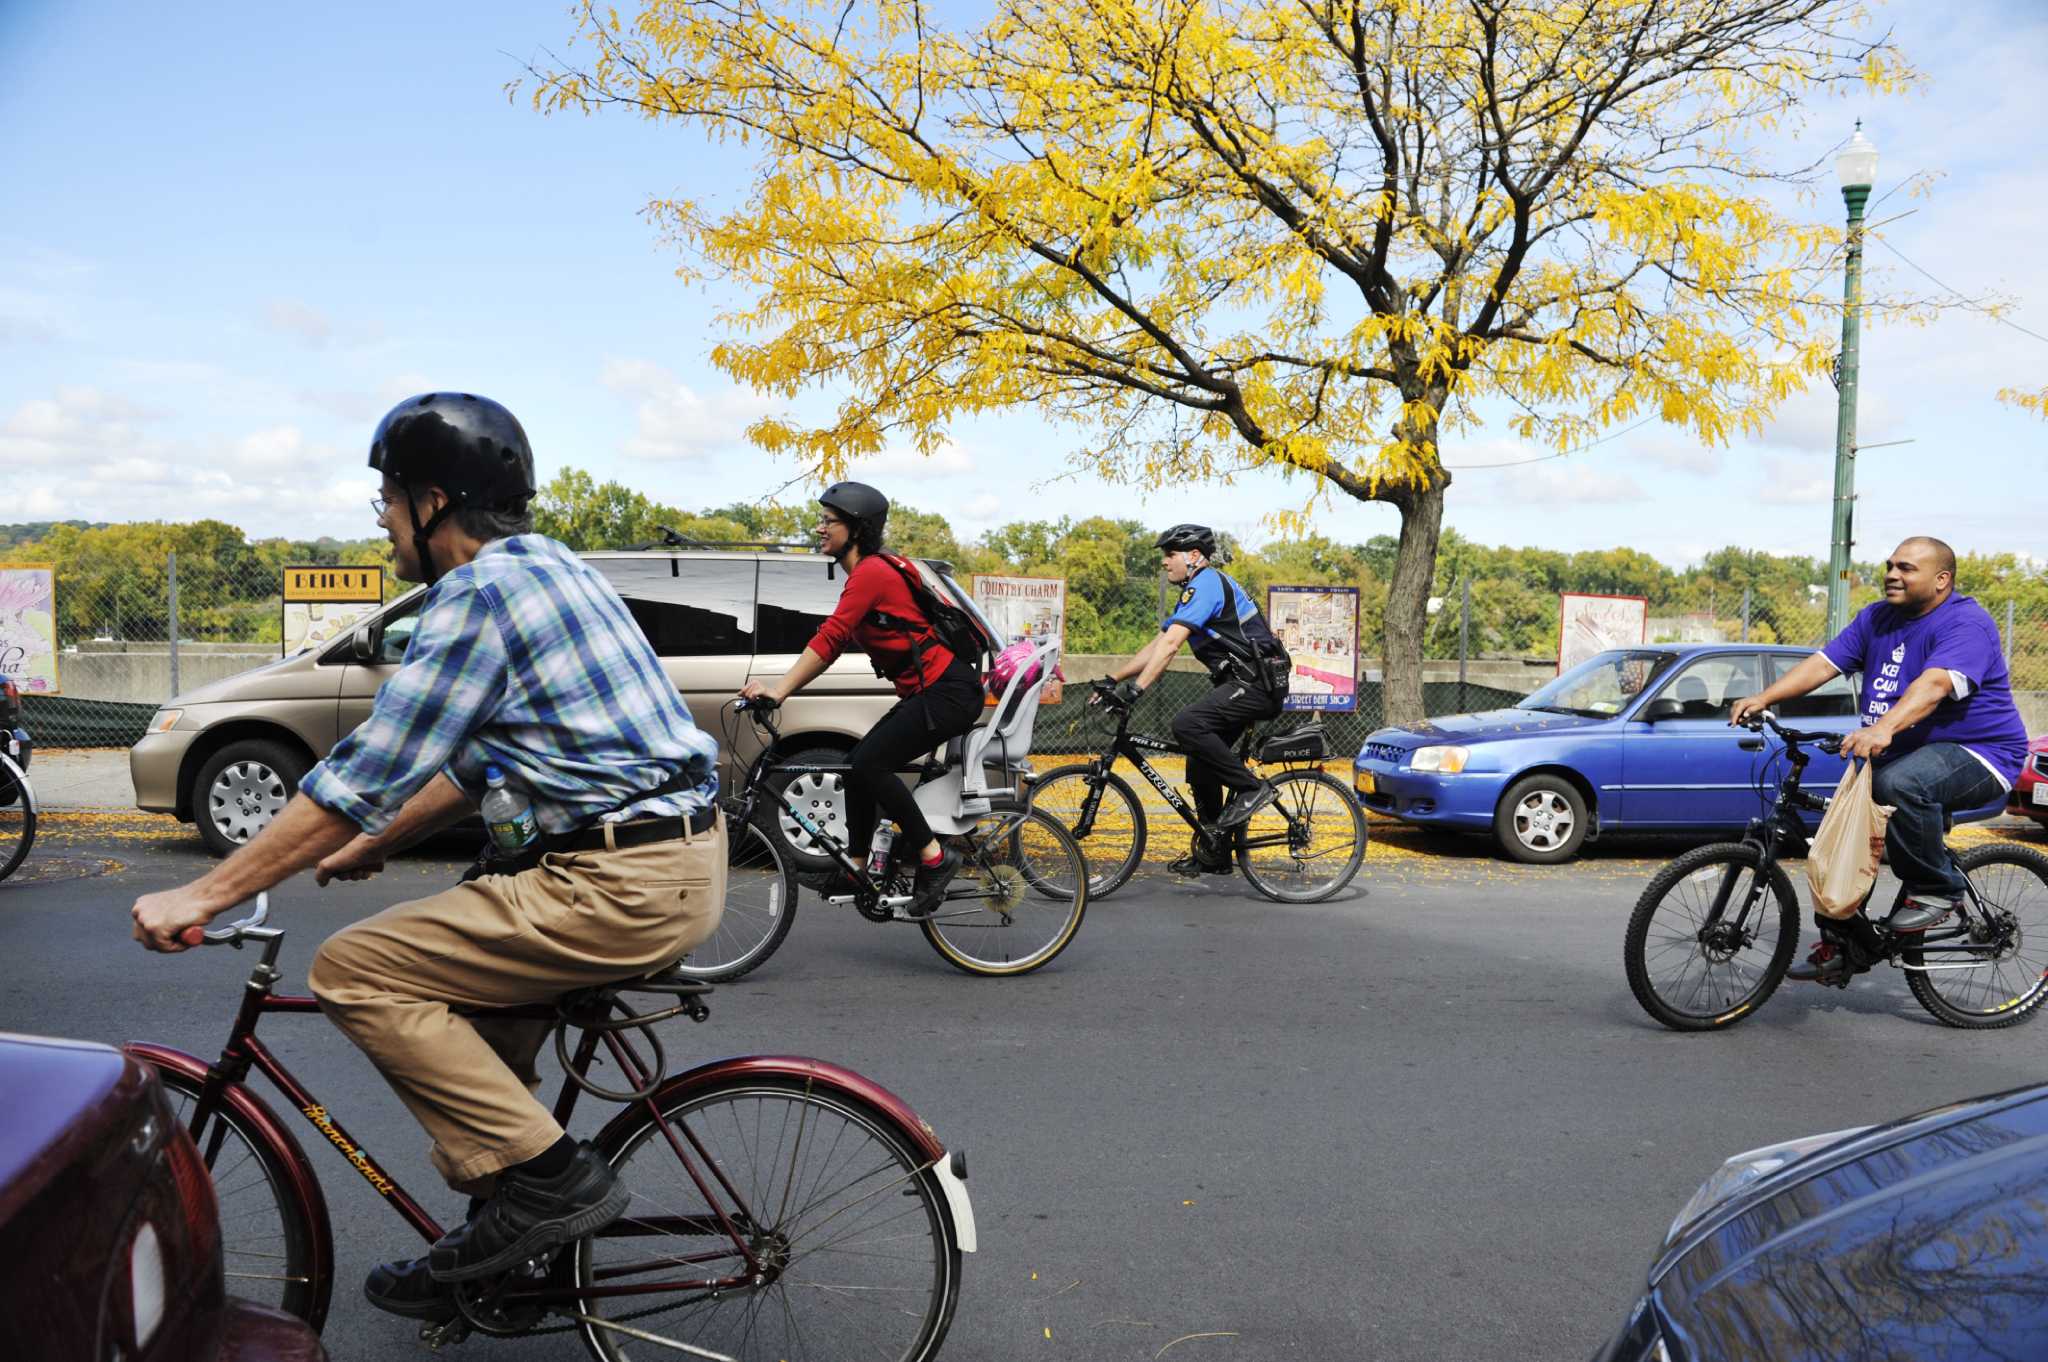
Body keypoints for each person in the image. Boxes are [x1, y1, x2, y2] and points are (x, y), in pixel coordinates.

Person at [130, 392, 726, 1320]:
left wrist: (205, 893)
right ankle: (505, 1257)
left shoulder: (476, 596)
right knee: (479, 1039)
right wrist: (380, 840)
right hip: (671, 862)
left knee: (357, 969)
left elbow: (358, 773)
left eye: (387, 498)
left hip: (616, 882)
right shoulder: (554, 571)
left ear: (435, 502)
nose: (382, 520)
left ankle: (554, 1185)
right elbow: (477, 758)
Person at [1731, 535, 2029, 983]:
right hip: (1901, 752)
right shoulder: (1877, 618)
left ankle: (1936, 889)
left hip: (1982, 753)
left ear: (1941, 580)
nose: (1892, 574)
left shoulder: (1966, 623)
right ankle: (1845, 947)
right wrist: (1764, 697)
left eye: (1907, 568)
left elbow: (1933, 686)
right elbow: (1823, 664)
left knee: (1903, 785)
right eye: (1891, 565)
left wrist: (1884, 727)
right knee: (1838, 842)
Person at [738, 482, 983, 914]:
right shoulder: (868, 574)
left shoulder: (871, 572)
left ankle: (934, 857)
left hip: (947, 693)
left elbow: (830, 639)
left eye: (828, 521)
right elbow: (834, 644)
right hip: (934, 692)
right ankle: (856, 865)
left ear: (856, 529)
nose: (819, 528)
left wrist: (779, 690)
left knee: (872, 763)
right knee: (857, 765)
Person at [1093, 523, 1290, 876]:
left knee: (1187, 724)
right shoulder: (1196, 590)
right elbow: (1159, 642)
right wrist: (1114, 678)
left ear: (1194, 556)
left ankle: (1251, 789)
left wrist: (1137, 690)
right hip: (1240, 683)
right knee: (1200, 764)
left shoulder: (1207, 583)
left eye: (1170, 555)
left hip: (1256, 685)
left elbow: (1170, 647)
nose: (1165, 563)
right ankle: (1214, 854)